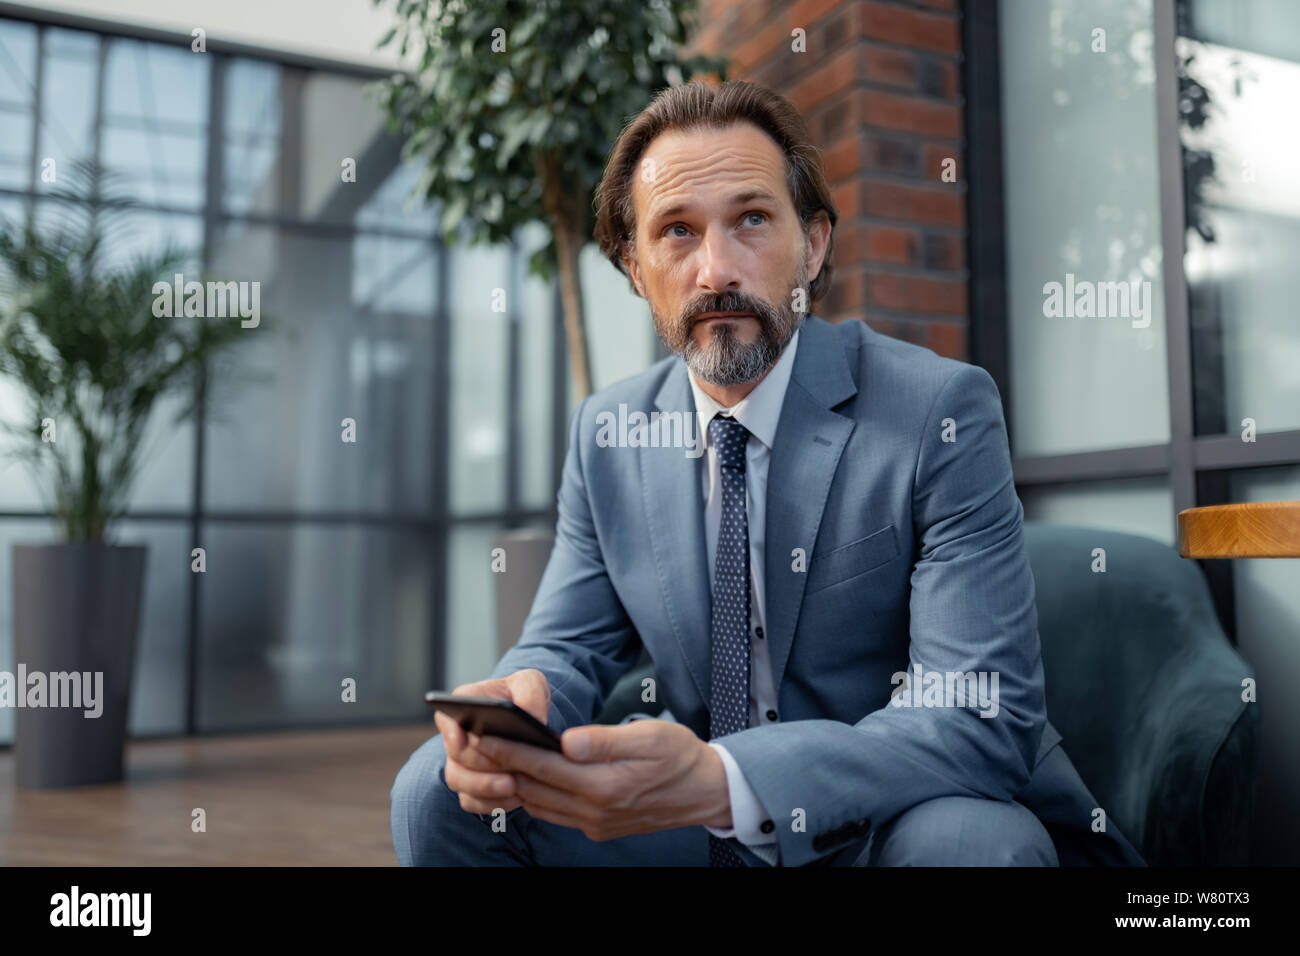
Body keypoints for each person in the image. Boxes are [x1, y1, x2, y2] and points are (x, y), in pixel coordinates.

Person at [391, 79, 1145, 867]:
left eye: (751, 220)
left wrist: (727, 779)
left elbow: (975, 712)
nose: (717, 270)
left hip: (889, 816)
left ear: (812, 246)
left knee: (973, 848)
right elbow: (565, 646)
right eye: (677, 231)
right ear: (635, 268)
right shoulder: (609, 434)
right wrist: (522, 696)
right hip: (695, 828)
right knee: (435, 793)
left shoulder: (939, 411)